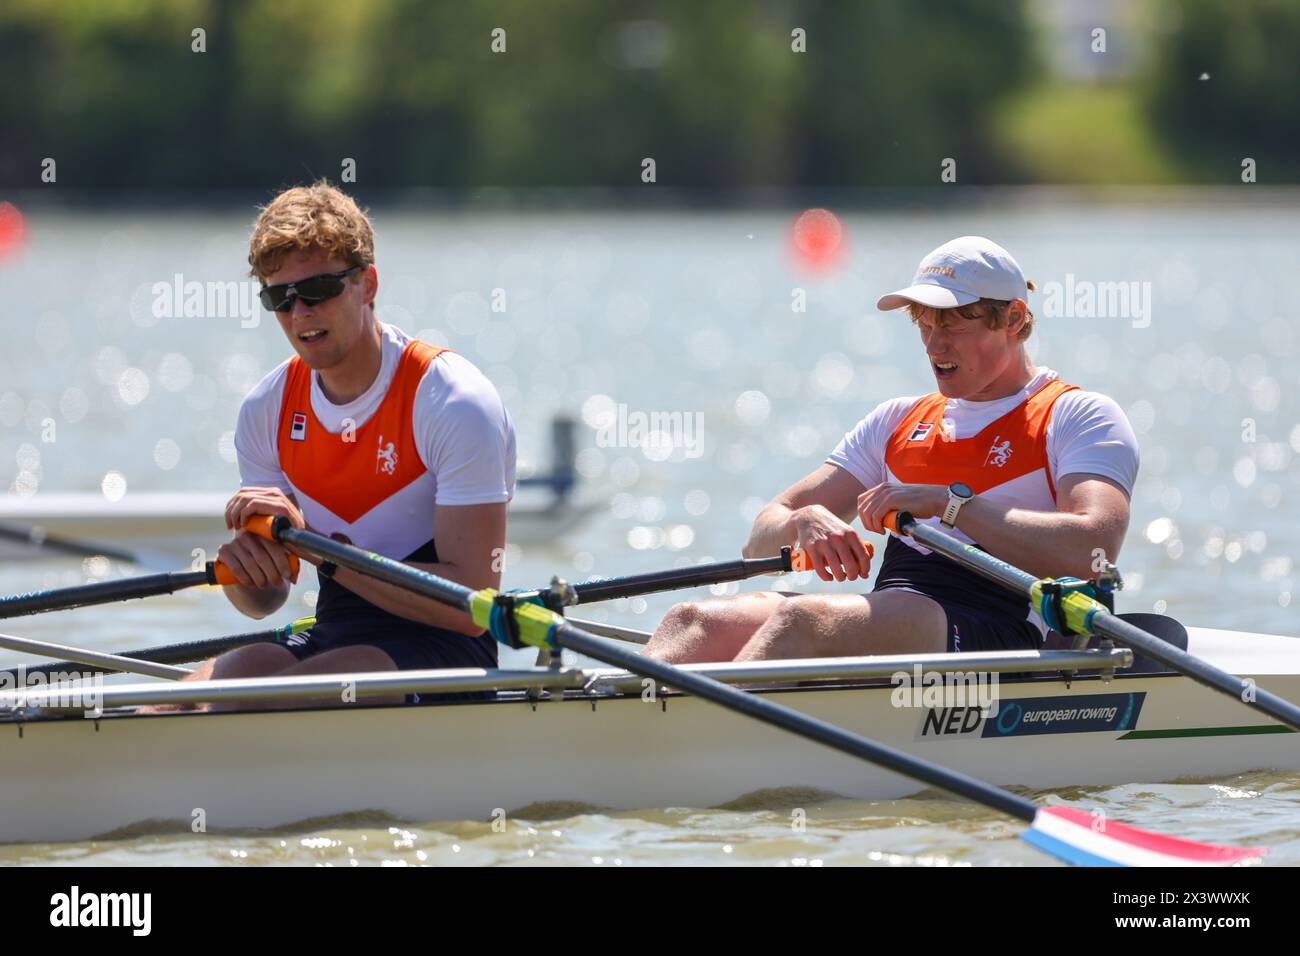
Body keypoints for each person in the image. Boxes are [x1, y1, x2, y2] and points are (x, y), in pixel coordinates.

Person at [645, 236, 1138, 663]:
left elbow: (1092, 552)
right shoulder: (896, 421)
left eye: (953, 325)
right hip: (903, 615)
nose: (933, 344)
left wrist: (951, 507)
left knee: (801, 618)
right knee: (690, 620)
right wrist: (802, 522)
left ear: (1012, 318)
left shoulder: (1077, 416)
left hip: (1001, 628)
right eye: (924, 324)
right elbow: (757, 542)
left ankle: (706, 752)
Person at [182, 181, 516, 706]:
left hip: (446, 645)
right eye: (280, 298)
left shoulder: (452, 401)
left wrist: (311, 541)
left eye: (317, 290)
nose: (300, 314)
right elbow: (265, 603)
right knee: (200, 691)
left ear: (368, 284)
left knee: (263, 700)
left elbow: (470, 602)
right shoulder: (264, 410)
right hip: (335, 629)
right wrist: (244, 571)